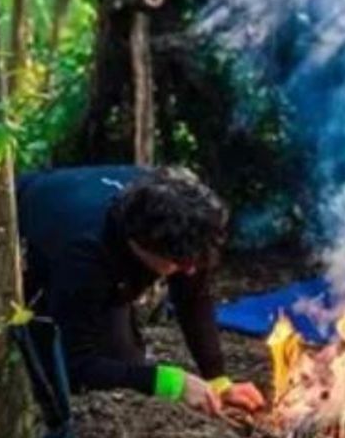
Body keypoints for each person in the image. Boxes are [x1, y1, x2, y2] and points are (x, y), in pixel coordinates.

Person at [15, 165, 266, 415]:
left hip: (86, 235)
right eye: (181, 263)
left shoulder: (179, 213)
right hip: (26, 241)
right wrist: (172, 383)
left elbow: (193, 297)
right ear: (141, 246)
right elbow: (77, 361)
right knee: (69, 372)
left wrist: (218, 379)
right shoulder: (85, 256)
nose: (190, 272)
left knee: (125, 362)